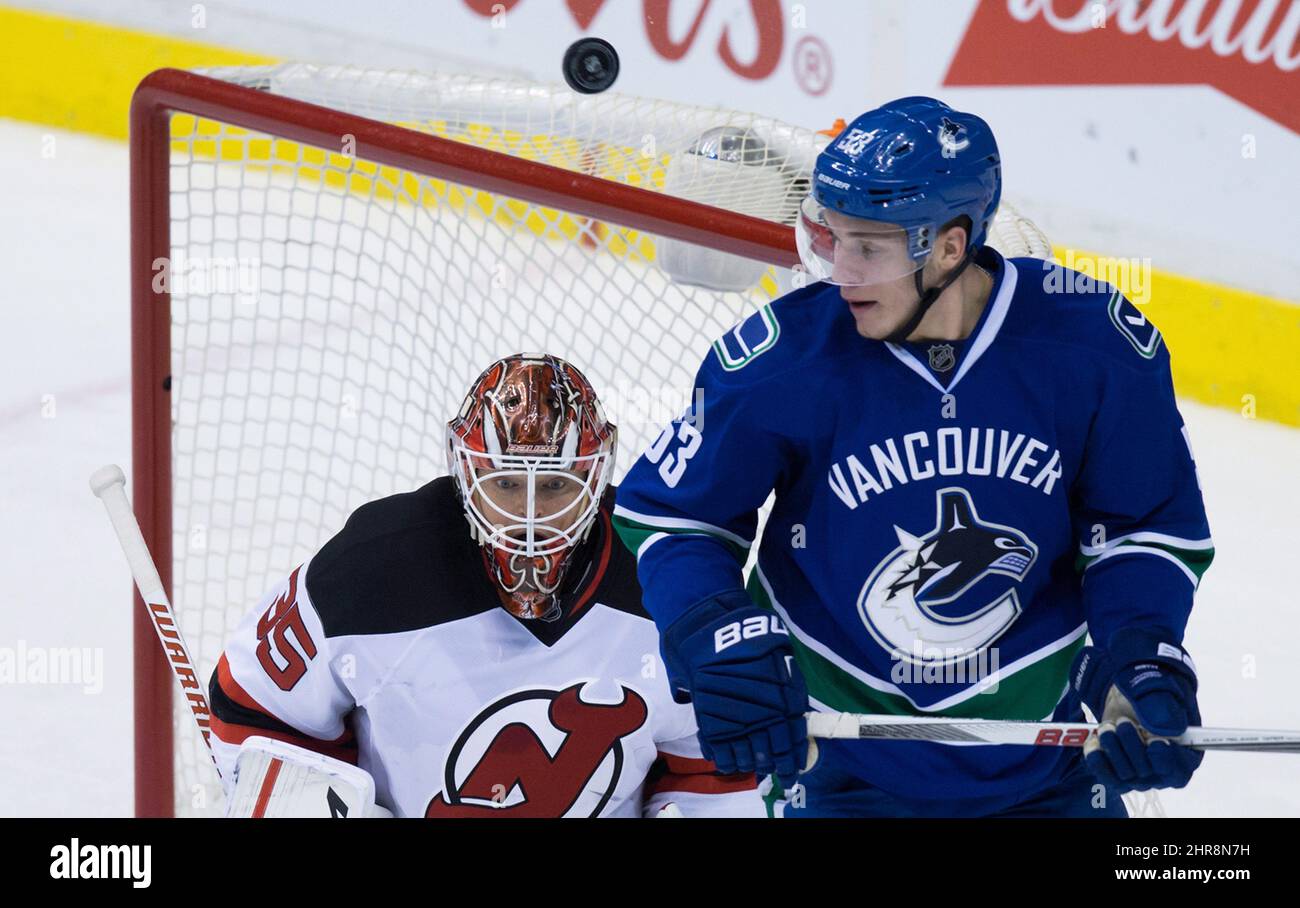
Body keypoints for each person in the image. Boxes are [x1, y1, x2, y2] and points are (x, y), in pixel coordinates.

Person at [612, 97, 1213, 817]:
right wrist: (713, 632)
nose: (840, 273)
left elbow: (1141, 526)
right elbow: (675, 517)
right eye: (831, 239)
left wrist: (1136, 659)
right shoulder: (784, 363)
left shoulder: (1095, 353)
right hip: (837, 767)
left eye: (868, 248)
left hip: (1049, 763)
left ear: (951, 247)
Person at [207, 353, 763, 817]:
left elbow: (719, 763)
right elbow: (250, 713)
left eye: (552, 486)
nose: (529, 520)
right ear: (464, 474)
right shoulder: (369, 572)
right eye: (504, 485)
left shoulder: (668, 580)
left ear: (597, 477)